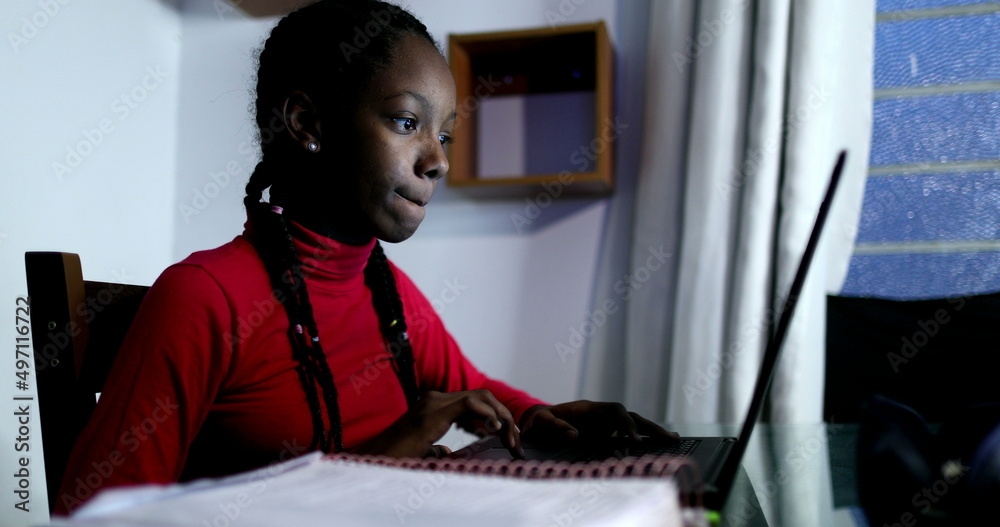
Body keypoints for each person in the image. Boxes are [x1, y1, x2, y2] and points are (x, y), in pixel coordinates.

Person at [55, 0, 676, 515]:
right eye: (408, 122)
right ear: (306, 122)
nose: (437, 159)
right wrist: (399, 446)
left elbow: (471, 389)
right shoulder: (205, 298)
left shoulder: (389, 294)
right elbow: (99, 512)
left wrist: (541, 417)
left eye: (445, 134)